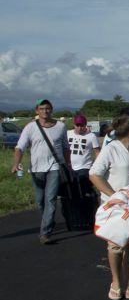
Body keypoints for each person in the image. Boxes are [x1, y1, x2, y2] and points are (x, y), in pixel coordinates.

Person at [89, 115, 129, 300]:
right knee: (115, 246)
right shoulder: (111, 149)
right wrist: (114, 195)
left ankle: (128, 282)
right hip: (116, 205)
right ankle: (115, 281)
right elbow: (95, 174)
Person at [12, 99, 72, 245]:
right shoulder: (30, 127)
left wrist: (68, 164)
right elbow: (20, 147)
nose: (45, 111)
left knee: (50, 199)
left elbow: (65, 147)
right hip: (36, 168)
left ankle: (45, 233)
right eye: (42, 108)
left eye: (48, 108)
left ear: (51, 110)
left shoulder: (61, 126)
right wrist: (16, 164)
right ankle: (48, 222)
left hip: (55, 167)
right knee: (40, 201)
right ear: (37, 111)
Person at [66, 114, 99, 189]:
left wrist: (96, 166)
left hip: (85, 166)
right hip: (70, 167)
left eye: (82, 125)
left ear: (85, 125)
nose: (80, 128)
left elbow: (97, 152)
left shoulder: (91, 136)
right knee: (73, 188)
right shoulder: (67, 134)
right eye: (77, 125)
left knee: (84, 188)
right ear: (74, 125)